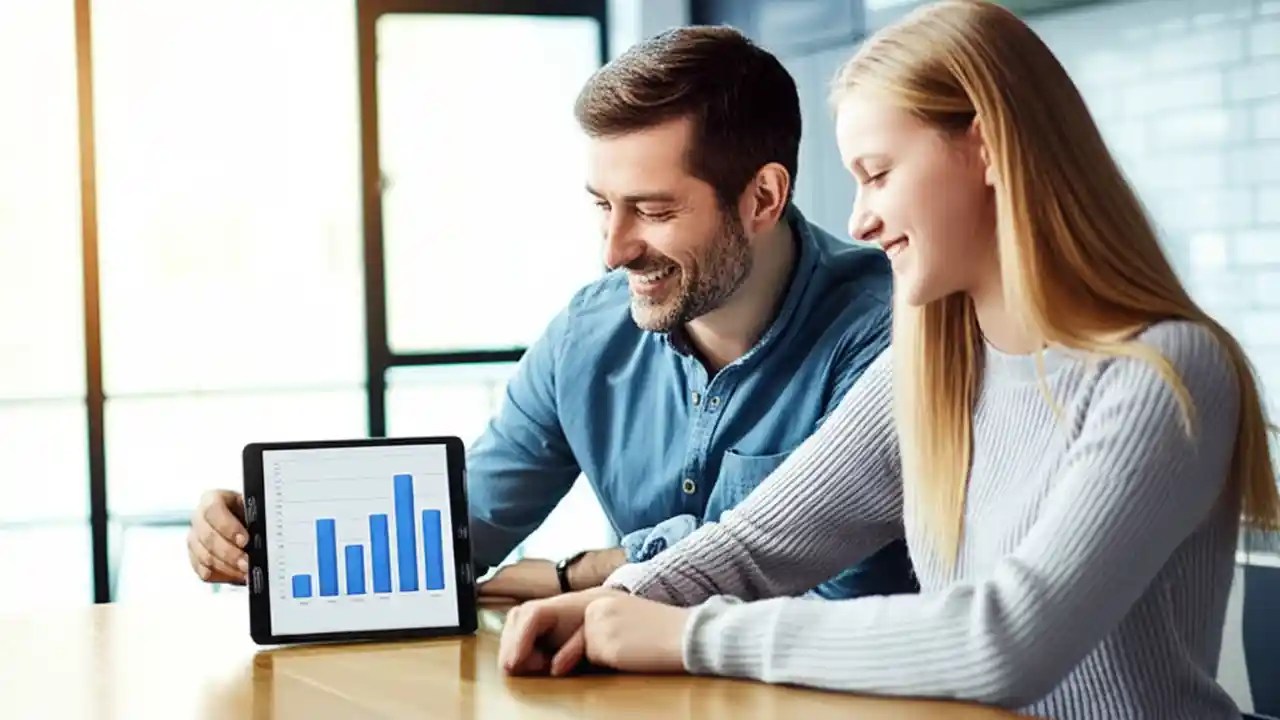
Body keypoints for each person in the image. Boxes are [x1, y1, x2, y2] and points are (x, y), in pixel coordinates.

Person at [496, 2, 1280, 718]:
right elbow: (758, 544)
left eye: (877, 174)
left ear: (987, 149)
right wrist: (616, 598)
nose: (860, 219)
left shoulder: (1167, 370)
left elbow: (1005, 642)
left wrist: (685, 636)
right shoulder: (934, 360)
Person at [186, 26, 917, 602]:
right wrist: (271, 541)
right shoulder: (588, 335)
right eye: (603, 206)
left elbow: (830, 589)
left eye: (654, 210)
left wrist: (584, 572)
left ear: (762, 198)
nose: (614, 251)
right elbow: (458, 531)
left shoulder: (886, 334)